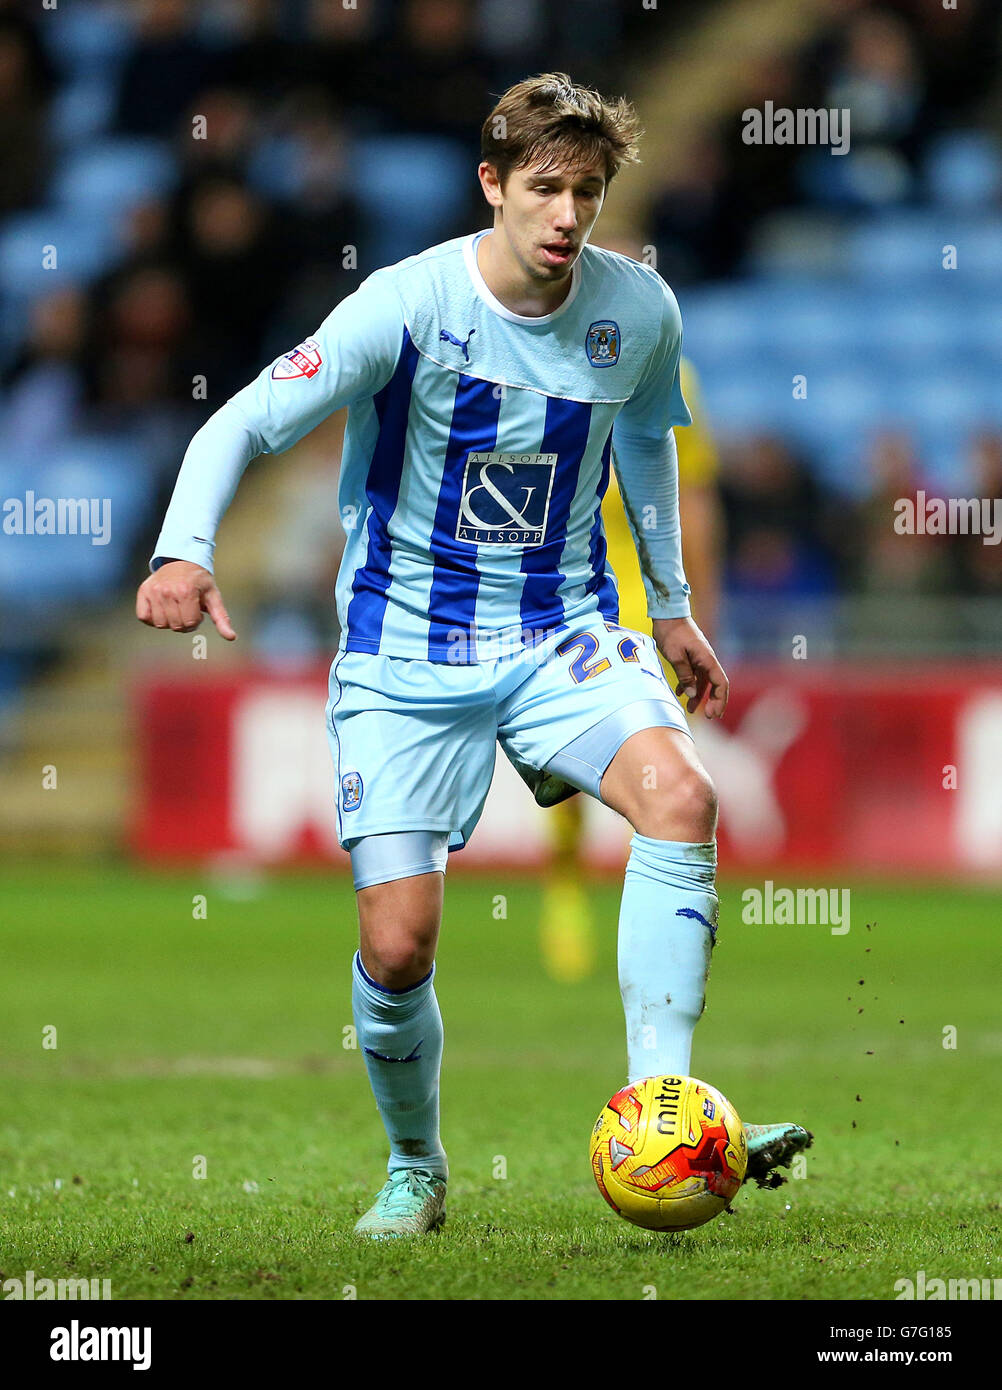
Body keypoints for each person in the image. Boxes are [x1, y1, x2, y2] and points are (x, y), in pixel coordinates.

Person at [136, 73, 811, 1239]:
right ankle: (417, 1165)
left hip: (564, 631)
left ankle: (670, 1112)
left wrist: (674, 606)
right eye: (545, 189)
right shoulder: (402, 307)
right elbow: (242, 416)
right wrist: (184, 550)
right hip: (407, 647)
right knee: (396, 950)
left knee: (683, 798)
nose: (567, 217)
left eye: (588, 194)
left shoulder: (638, 310)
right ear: (492, 184)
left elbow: (648, 442)